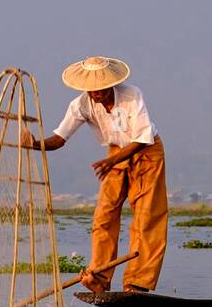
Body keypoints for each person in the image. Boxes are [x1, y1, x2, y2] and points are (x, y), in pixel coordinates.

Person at [21, 56, 167, 293]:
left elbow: (142, 138)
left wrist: (112, 160)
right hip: (114, 155)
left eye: (101, 89)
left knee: (147, 218)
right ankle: (98, 278)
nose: (97, 93)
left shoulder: (131, 95)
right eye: (92, 90)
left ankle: (137, 282)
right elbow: (59, 139)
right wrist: (35, 144)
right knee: (104, 216)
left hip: (146, 152)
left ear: (111, 84)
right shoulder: (80, 105)